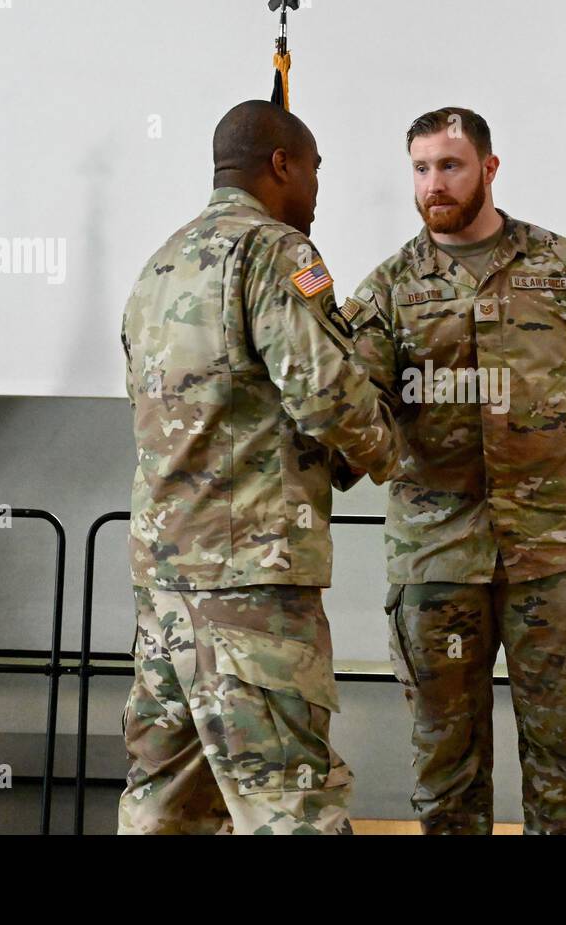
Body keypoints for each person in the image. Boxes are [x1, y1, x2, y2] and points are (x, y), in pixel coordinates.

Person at [341, 107, 566, 834]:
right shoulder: (386, 291)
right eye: (421, 168)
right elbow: (357, 405)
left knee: (565, 766)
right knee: (446, 771)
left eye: (450, 165)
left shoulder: (562, 266)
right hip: (438, 554)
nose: (433, 183)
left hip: (554, 555)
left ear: (489, 169)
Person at [118, 100, 403, 834]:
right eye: (312, 170)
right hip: (251, 585)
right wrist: (393, 449)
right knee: (289, 800)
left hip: (164, 587)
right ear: (280, 164)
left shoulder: (159, 266)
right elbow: (326, 393)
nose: (315, 188)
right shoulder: (275, 252)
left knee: (164, 805)